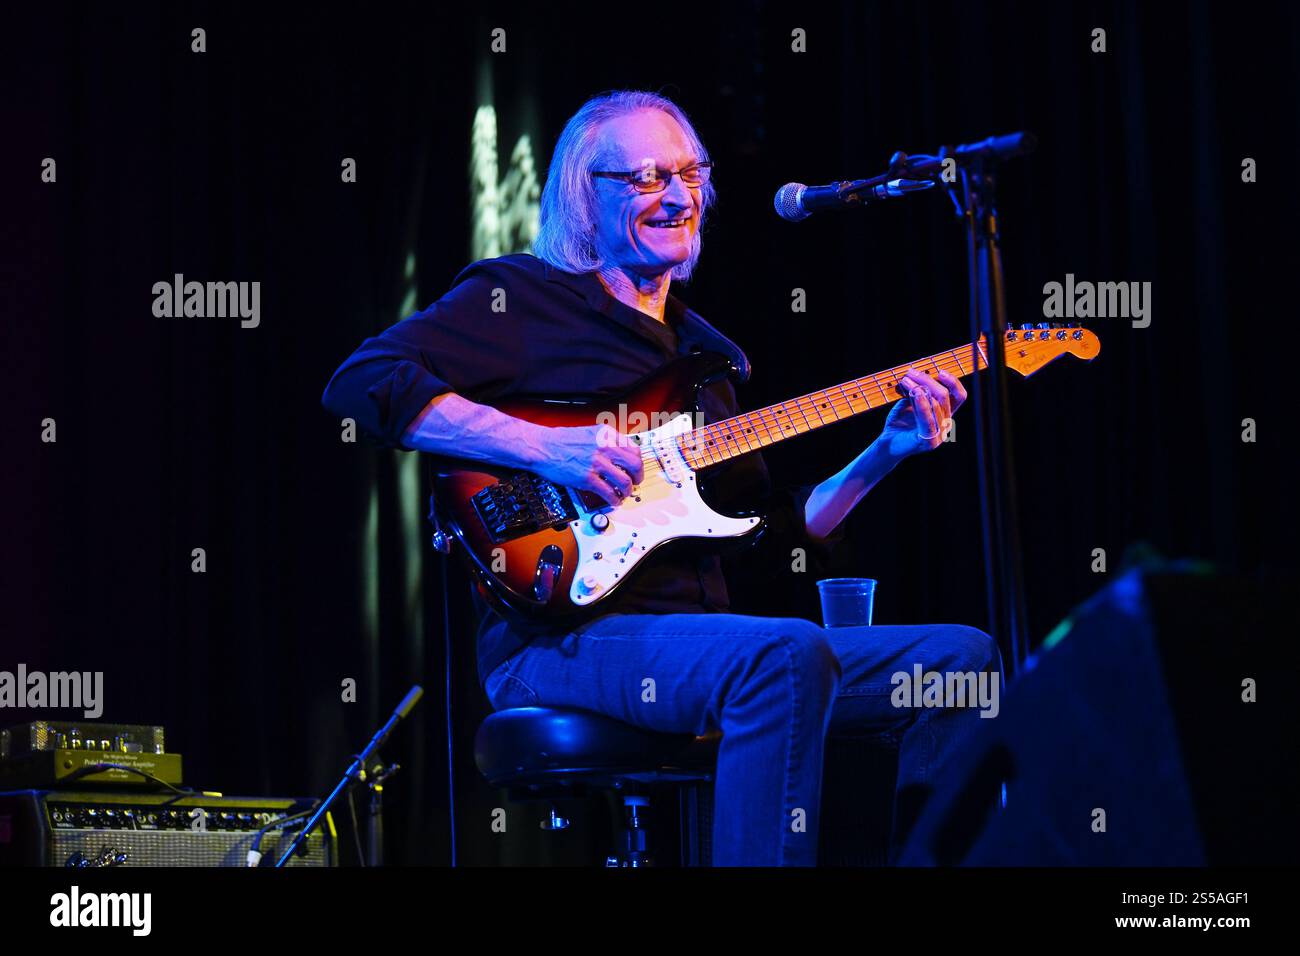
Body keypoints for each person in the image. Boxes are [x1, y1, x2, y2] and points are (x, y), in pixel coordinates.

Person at [323, 90, 1002, 866]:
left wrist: (888, 451)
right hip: (559, 642)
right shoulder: (523, 300)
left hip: (702, 646)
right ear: (587, 196)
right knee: (781, 656)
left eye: (688, 174)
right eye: (646, 178)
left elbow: (776, 528)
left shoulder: (708, 360)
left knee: (961, 662)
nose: (678, 196)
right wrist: (549, 448)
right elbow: (362, 380)